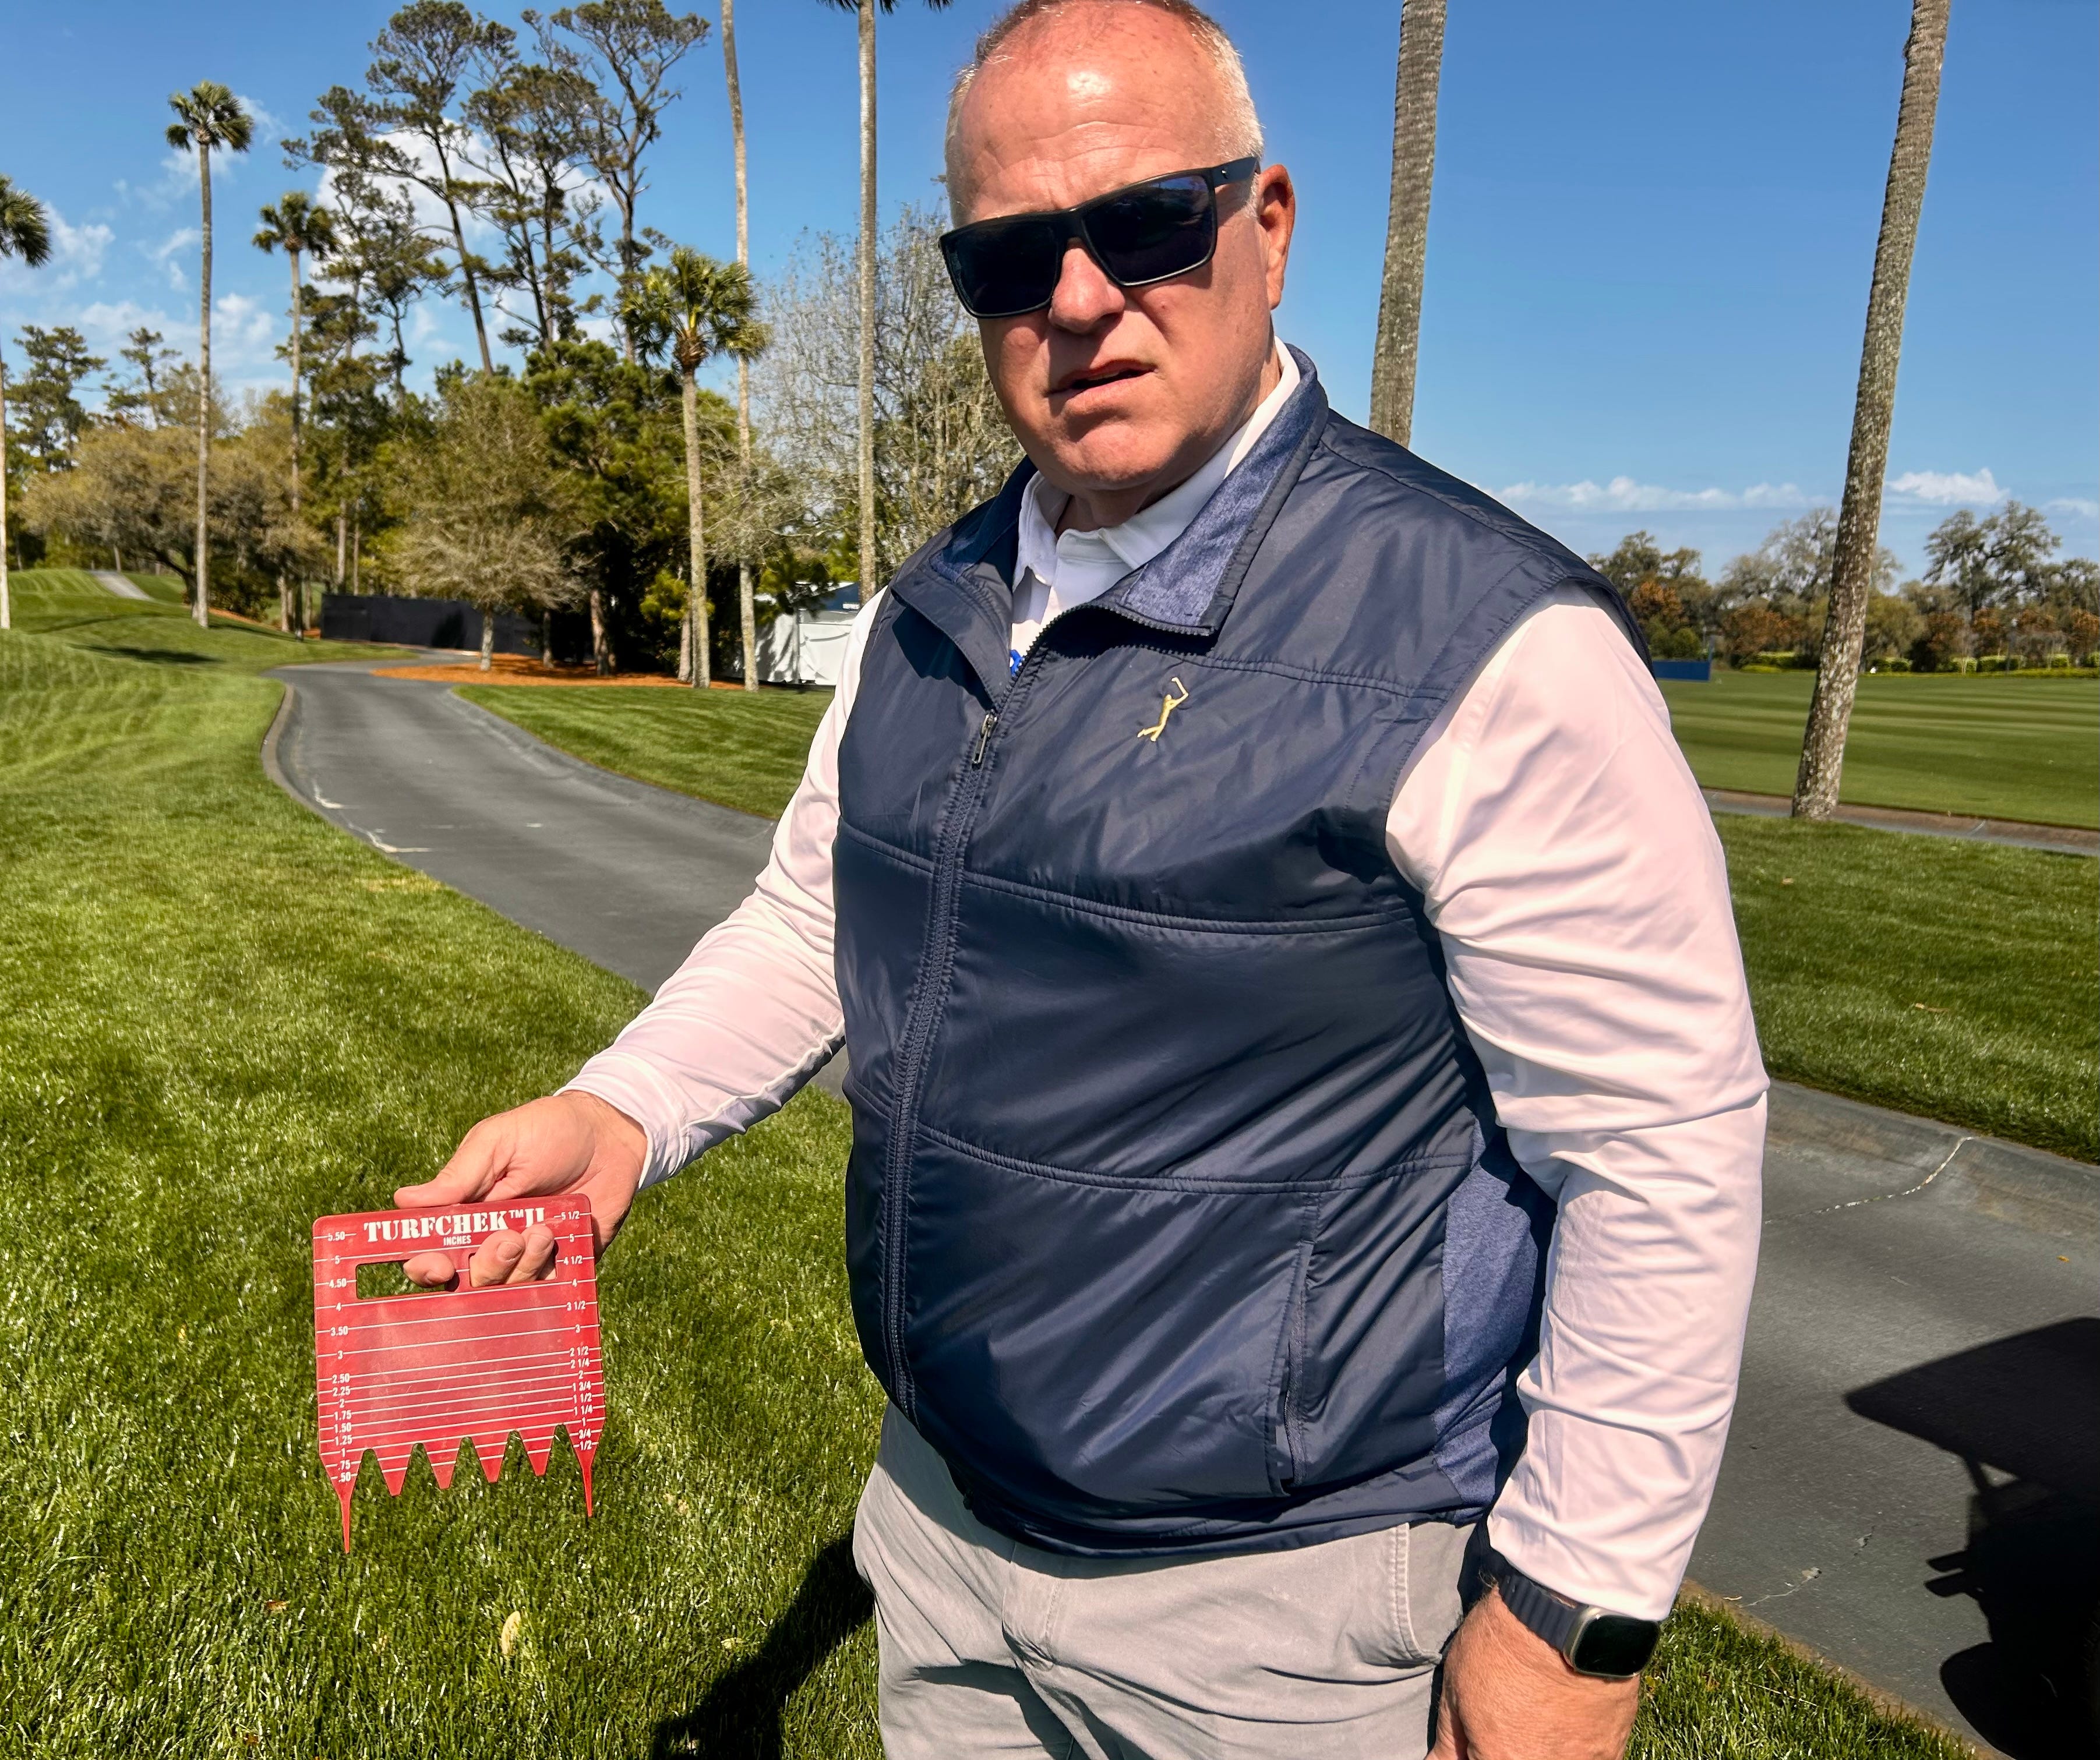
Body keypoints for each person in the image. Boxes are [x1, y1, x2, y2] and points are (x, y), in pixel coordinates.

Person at [396, 2, 1767, 1754]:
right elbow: (824, 916)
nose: (1078, 297)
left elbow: (1661, 1154)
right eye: (1010, 256)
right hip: (947, 1530)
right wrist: (624, 1113)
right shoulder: (933, 605)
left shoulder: (1489, 643)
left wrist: (1571, 1621)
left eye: (1141, 224)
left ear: (1264, 227)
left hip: (1287, 1613)